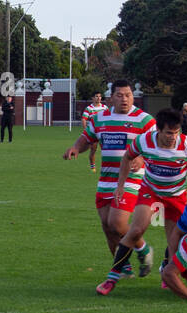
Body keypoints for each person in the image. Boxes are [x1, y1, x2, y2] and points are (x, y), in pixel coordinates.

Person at [98, 107, 187, 295]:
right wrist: (120, 185)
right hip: (150, 192)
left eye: (176, 132)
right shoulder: (144, 141)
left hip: (176, 196)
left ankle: (166, 271)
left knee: (175, 240)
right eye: (168, 133)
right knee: (135, 230)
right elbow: (127, 157)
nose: (173, 137)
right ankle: (112, 278)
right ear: (158, 130)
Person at [63, 79, 156, 268]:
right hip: (106, 180)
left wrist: (142, 159)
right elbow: (86, 138)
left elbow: (157, 147)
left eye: (128, 95)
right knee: (108, 228)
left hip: (132, 180)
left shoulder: (145, 120)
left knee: (117, 223)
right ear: (110, 98)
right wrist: (75, 148)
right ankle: (122, 267)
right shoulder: (100, 118)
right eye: (119, 95)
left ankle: (143, 248)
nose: (124, 99)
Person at [81, 93, 106, 171]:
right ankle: (93, 167)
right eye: (96, 96)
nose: (98, 98)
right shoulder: (89, 108)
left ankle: (106, 167)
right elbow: (84, 119)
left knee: (106, 150)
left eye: (99, 96)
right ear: (93, 98)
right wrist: (86, 130)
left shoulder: (104, 107)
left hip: (103, 132)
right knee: (93, 150)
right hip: (94, 133)